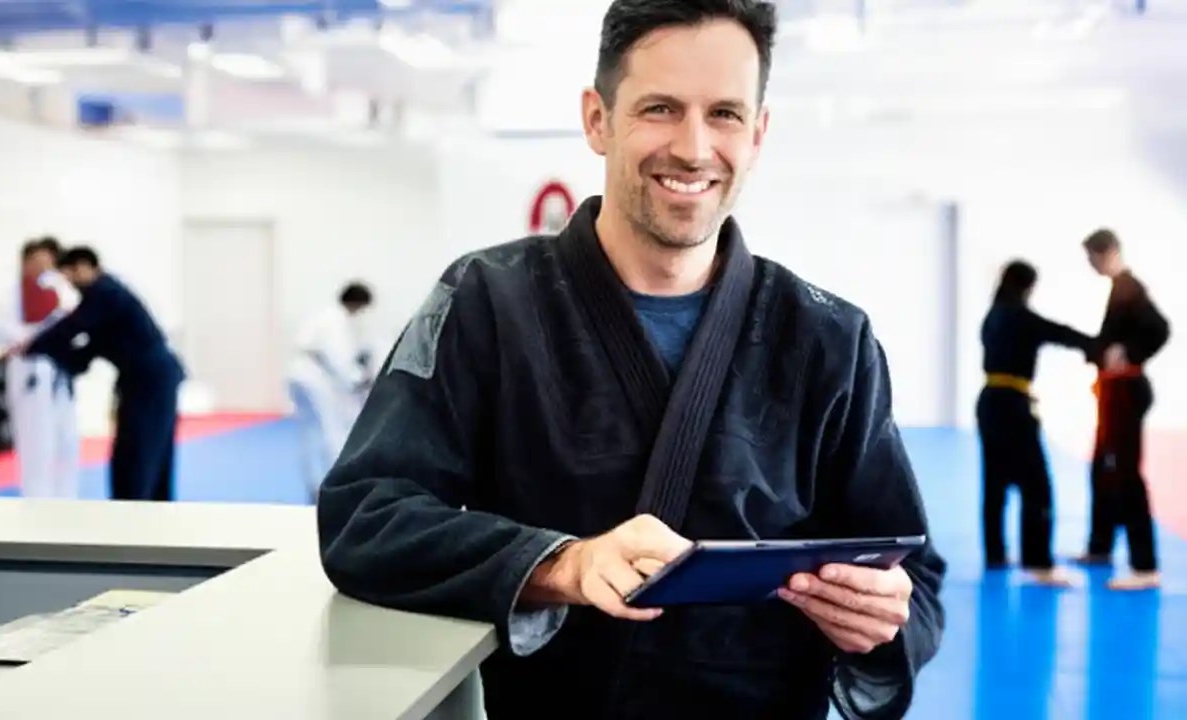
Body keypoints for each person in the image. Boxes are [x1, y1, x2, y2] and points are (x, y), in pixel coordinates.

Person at [316, 2, 946, 718]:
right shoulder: (490, 303)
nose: (694, 147)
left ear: (759, 132)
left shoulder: (830, 337)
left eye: (726, 114)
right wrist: (562, 563)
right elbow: (365, 517)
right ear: (597, 119)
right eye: (660, 108)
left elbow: (914, 579)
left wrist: (880, 618)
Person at [8, 247, 186, 502]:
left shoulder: (105, 292)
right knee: (147, 448)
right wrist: (46, 353)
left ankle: (136, 510)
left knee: (140, 449)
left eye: (69, 276)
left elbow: (73, 327)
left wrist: (31, 345)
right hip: (150, 378)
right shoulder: (106, 300)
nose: (69, 284)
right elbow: (87, 352)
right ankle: (146, 506)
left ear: (83, 267)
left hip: (150, 379)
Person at [976, 260, 1095, 586]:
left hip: (989, 401)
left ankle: (996, 554)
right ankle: (1039, 563)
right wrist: (1096, 346)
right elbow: (1060, 333)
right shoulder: (1020, 316)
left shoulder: (994, 315)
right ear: (1029, 286)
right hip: (1013, 405)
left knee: (995, 481)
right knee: (1037, 486)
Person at [1075, 229, 1170, 590]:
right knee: (1102, 468)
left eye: (1093, 258)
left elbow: (1160, 329)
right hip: (1114, 395)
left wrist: (1128, 352)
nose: (1092, 265)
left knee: (1127, 474)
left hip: (1128, 393)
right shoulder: (1119, 288)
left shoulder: (1130, 286)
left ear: (1110, 252)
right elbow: (1108, 340)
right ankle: (1100, 546)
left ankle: (1146, 566)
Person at [0, 236, 82, 499]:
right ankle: (35, 504)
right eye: (37, 261)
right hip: (29, 376)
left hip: (60, 376)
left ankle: (67, 502)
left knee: (66, 446)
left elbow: (76, 326)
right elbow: (2, 333)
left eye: (48, 261)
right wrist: (35, 338)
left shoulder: (63, 291)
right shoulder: (11, 296)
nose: (43, 267)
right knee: (35, 448)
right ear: (25, 263)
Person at [286, 282, 380, 502]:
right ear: (357, 303)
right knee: (331, 429)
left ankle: (313, 485)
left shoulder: (324, 315)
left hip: (298, 372)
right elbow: (337, 357)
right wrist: (356, 380)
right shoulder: (337, 321)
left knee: (309, 432)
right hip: (315, 376)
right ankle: (336, 486)